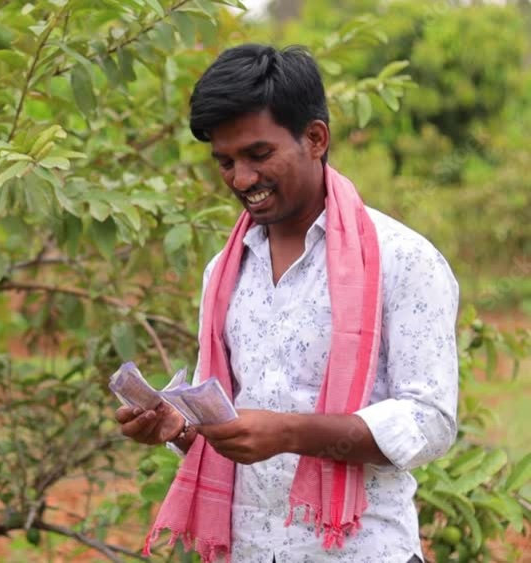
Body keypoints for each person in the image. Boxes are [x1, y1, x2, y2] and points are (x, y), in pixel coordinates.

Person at [116, 44, 458, 563]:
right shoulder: (225, 272)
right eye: (225, 162)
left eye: (258, 155)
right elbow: (238, 432)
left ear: (316, 138)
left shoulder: (402, 259)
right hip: (250, 551)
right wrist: (180, 428)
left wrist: (290, 433)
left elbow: (430, 421)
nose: (241, 180)